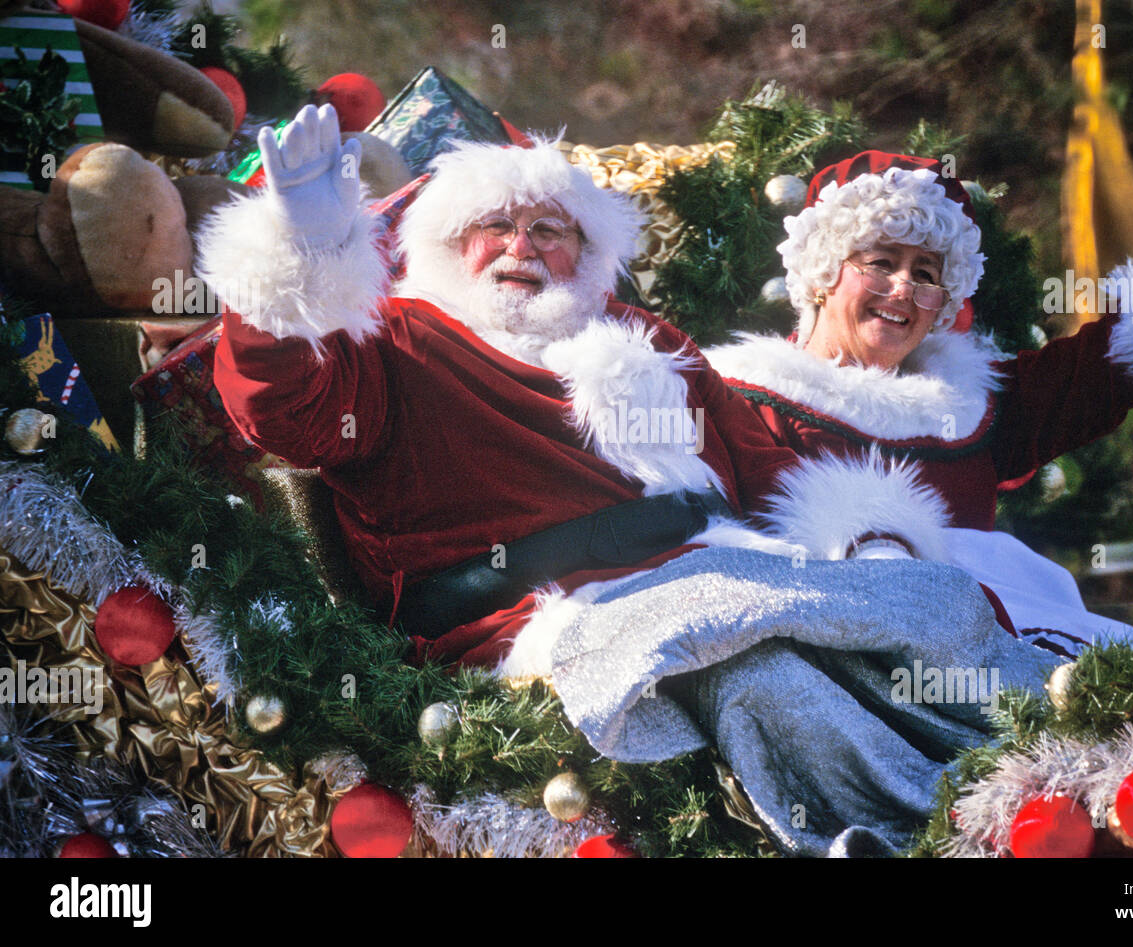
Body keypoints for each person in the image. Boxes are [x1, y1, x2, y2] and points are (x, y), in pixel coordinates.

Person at [198, 106, 1062, 856]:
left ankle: (1058, 767)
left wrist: (863, 539)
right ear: (451, 242)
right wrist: (305, 249)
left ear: (587, 251)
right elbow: (281, 409)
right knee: (761, 674)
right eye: (496, 224)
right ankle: (935, 832)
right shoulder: (395, 341)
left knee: (931, 597)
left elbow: (766, 469)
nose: (522, 246)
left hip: (721, 570)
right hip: (544, 619)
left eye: (551, 229)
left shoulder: (645, 339)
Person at [705, 150, 1133, 655]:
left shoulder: (975, 405)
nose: (904, 288)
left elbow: (1111, 364)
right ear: (821, 276)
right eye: (880, 263)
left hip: (1001, 675)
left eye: (926, 273)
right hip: (833, 678)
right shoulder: (740, 400)